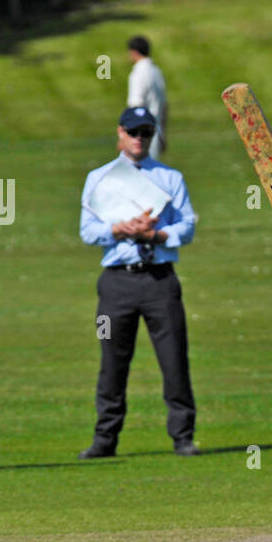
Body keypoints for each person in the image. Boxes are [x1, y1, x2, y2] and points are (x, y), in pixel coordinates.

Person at [78, 107, 198, 459]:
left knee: (174, 358)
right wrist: (119, 229)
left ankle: (182, 436)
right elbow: (87, 230)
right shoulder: (99, 178)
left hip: (160, 280)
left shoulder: (170, 178)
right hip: (117, 283)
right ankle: (105, 439)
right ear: (120, 133)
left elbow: (187, 226)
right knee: (111, 359)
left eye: (146, 132)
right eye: (133, 131)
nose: (139, 138)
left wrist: (157, 234)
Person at [126, 35, 168, 159]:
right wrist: (163, 135)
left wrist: (128, 136)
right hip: (156, 129)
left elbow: (136, 106)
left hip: (141, 135)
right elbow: (164, 106)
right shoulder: (156, 71)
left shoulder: (138, 73)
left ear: (133, 52)